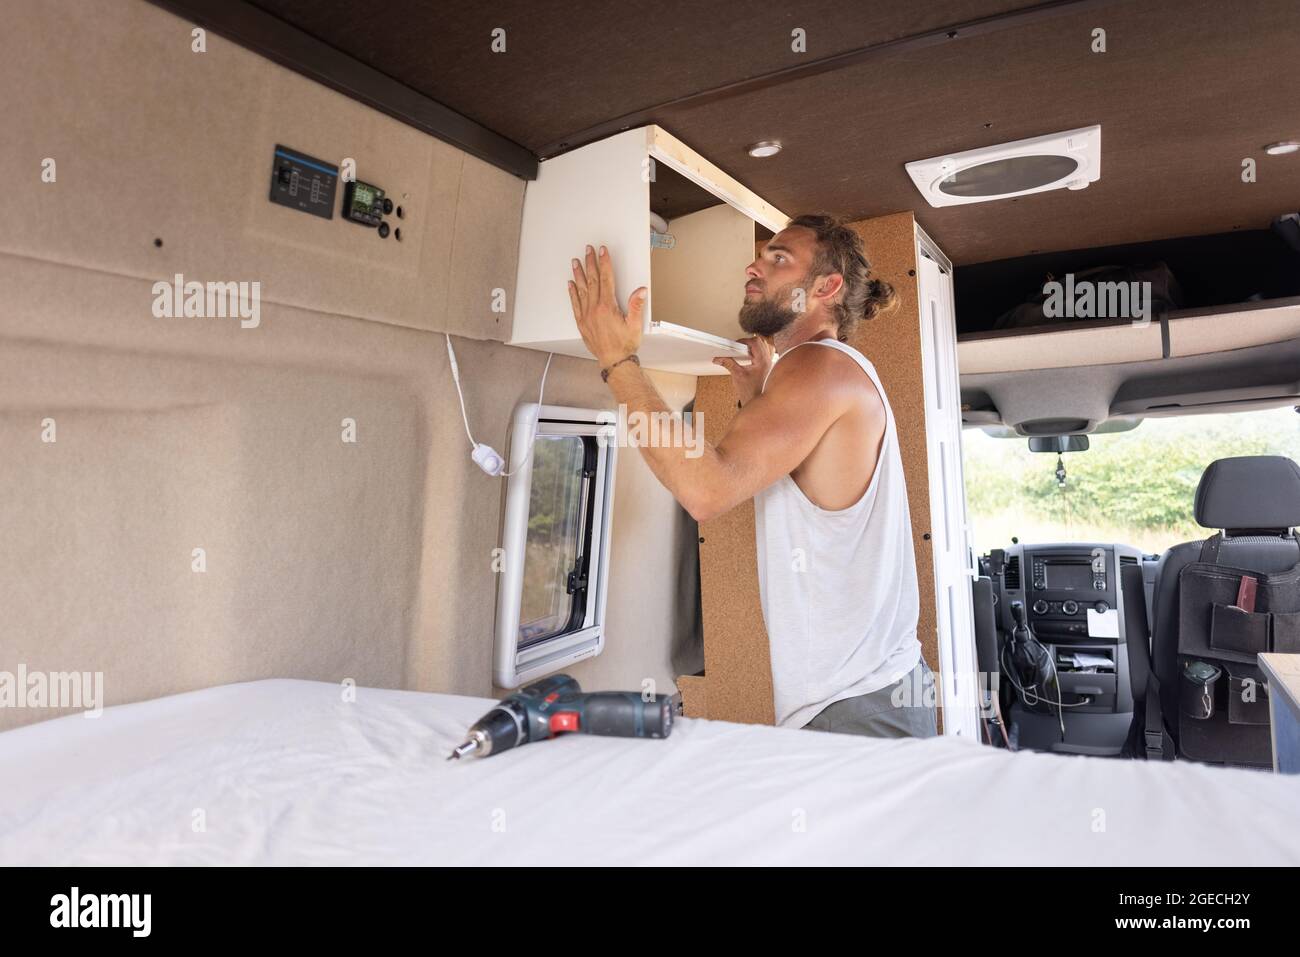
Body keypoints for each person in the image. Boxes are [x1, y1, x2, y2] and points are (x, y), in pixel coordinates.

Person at [567, 213, 936, 739]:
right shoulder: (825, 368)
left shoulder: (817, 369)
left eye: (779, 259)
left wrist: (617, 358)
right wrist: (759, 398)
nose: (754, 265)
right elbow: (800, 471)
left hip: (859, 704)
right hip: (871, 694)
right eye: (761, 256)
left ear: (826, 287)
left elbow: (705, 490)